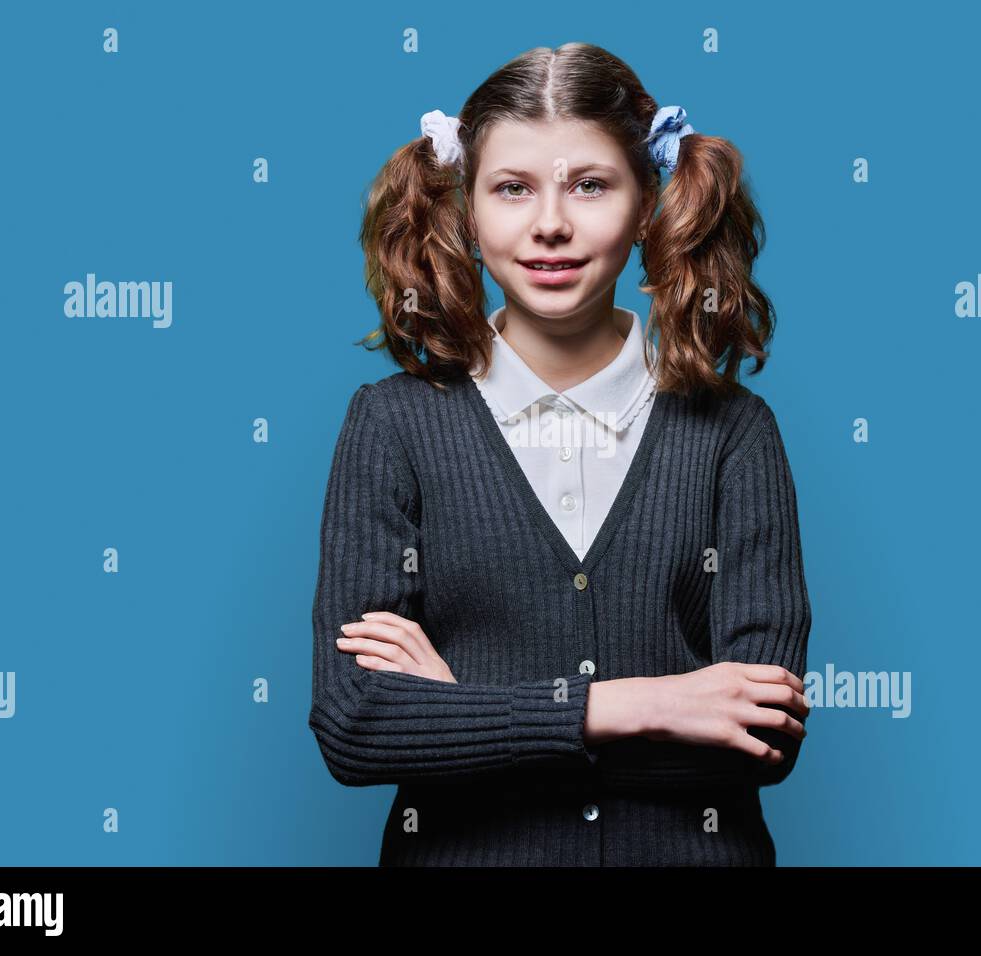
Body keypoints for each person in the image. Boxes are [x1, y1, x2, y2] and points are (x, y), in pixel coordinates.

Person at [309, 42, 813, 866]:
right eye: (513, 188)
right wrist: (641, 703)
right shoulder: (391, 425)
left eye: (590, 184)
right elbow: (357, 726)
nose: (550, 223)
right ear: (467, 211)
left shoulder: (735, 434)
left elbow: (760, 737)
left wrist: (464, 712)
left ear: (648, 202)